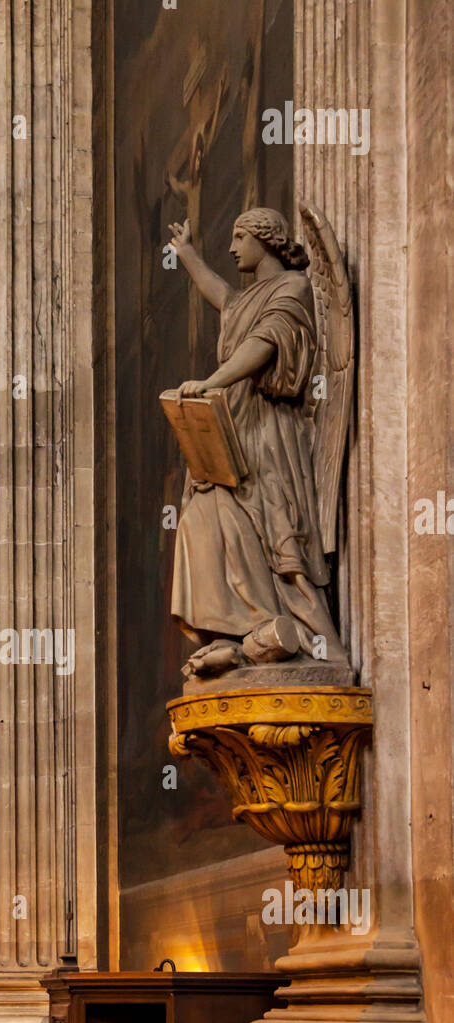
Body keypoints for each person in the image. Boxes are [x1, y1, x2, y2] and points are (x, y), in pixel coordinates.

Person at [167, 207, 347, 678]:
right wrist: (187, 255)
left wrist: (212, 382)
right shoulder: (246, 298)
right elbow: (224, 298)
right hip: (230, 424)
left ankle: (317, 640)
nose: (231, 249)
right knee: (203, 516)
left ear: (265, 239)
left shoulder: (294, 287)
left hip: (266, 428)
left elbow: (263, 343)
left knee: (274, 525)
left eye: (238, 237)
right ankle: (239, 631)